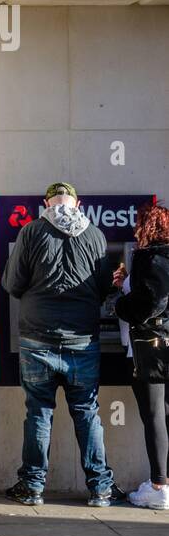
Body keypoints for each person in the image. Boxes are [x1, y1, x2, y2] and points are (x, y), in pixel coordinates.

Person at [1, 181, 125, 507]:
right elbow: (102, 290)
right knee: (87, 413)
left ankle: (32, 487)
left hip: (36, 340)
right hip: (83, 341)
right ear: (77, 203)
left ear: (47, 203)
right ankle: (100, 489)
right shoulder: (96, 236)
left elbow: (12, 283)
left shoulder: (30, 232)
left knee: (39, 413)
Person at [114, 203, 169, 510]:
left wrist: (121, 304)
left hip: (153, 349)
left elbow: (151, 302)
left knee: (154, 416)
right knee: (167, 414)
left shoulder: (151, 257)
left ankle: (159, 486)